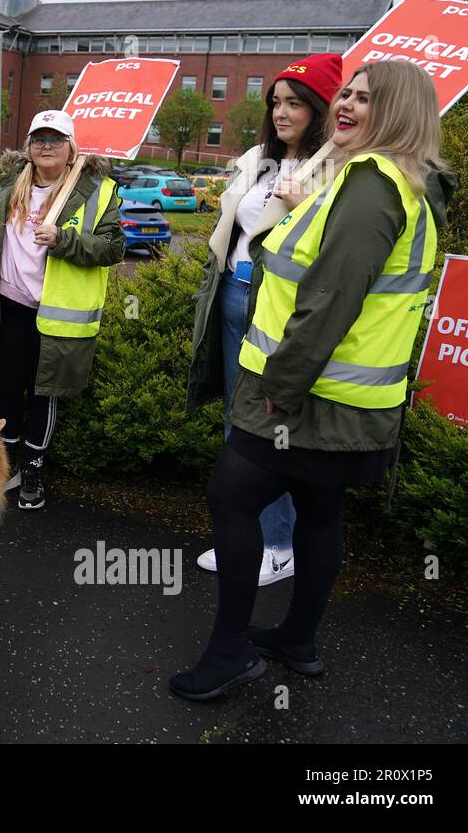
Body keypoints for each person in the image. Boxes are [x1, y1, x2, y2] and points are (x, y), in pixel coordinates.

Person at [171, 60, 454, 701]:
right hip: (347, 400)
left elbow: (329, 298)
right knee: (319, 511)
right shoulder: (398, 180)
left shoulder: (373, 185)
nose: (347, 104)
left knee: (232, 500)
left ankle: (228, 655)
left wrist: (281, 387)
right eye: (346, 94)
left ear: (400, 112)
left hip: (306, 395)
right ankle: (297, 640)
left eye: (365, 98)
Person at [186, 53, 343, 585]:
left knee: (270, 425)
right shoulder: (260, 157)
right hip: (232, 292)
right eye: (276, 101)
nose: (281, 112)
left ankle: (278, 544)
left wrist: (302, 209)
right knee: (237, 419)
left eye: (295, 103)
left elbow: (330, 256)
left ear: (320, 108)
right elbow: (233, 226)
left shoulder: (338, 169)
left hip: (275, 306)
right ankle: (247, 537)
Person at [0, 111, 124, 509]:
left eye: (56, 140)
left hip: (56, 313)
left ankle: (34, 468)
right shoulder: (7, 187)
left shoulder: (97, 191)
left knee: (43, 394)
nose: (46, 147)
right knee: (6, 389)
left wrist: (64, 239)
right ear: (29, 146)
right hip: (7, 307)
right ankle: (8, 466)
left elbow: (112, 249)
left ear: (72, 148)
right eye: (39, 139)